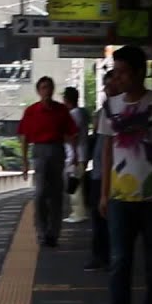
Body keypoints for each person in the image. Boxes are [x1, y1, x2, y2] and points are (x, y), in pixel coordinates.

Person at [98, 45, 152, 304]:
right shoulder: (110, 107)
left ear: (140, 72)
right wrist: (105, 193)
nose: (117, 78)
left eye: (122, 72)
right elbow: (106, 151)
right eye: (115, 72)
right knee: (120, 261)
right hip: (120, 197)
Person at [18, 76, 78, 247]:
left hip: (57, 149)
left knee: (57, 193)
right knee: (40, 193)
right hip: (39, 150)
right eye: (43, 87)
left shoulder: (61, 110)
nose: (47, 91)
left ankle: (54, 233)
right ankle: (42, 231)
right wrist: (24, 162)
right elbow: (23, 137)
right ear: (38, 91)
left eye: (49, 87)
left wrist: (73, 153)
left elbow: (71, 133)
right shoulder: (31, 111)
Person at [84, 70, 120, 272]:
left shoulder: (127, 111)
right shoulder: (102, 112)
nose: (107, 89)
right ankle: (100, 255)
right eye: (106, 86)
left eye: (111, 85)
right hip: (98, 172)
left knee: (112, 219)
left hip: (117, 175)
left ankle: (109, 256)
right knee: (98, 217)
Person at [63, 85, 90, 224]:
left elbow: (73, 136)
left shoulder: (74, 114)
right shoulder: (82, 113)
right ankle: (78, 212)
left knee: (75, 185)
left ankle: (79, 213)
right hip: (81, 154)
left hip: (77, 155)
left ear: (66, 99)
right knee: (77, 184)